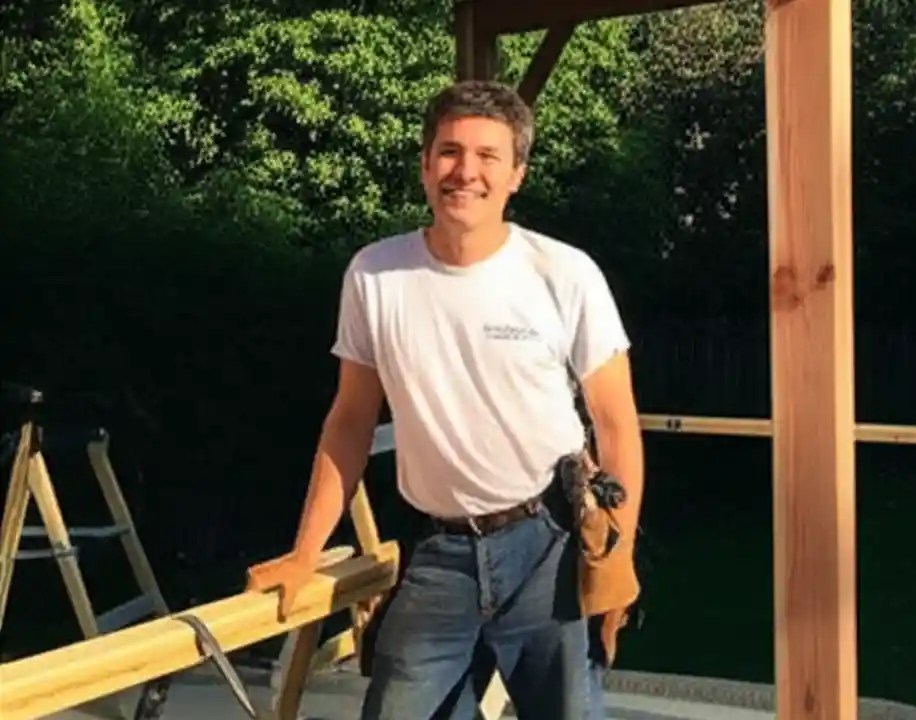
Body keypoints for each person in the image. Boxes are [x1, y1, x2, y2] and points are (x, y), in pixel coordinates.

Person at [246, 80, 644, 720]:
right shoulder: (375, 274)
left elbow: (616, 423)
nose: (466, 171)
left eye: (488, 156)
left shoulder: (563, 273)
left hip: (549, 545)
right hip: (440, 555)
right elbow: (350, 420)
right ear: (426, 165)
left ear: (516, 173)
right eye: (450, 152)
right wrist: (304, 554)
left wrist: (615, 557)